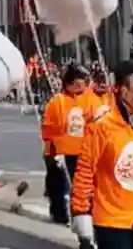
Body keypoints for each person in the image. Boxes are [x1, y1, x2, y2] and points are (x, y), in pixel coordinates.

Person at [69, 60, 133, 249]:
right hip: (112, 219)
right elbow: (85, 171)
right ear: (122, 91)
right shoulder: (103, 127)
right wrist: (81, 211)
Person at [41, 63, 101, 223]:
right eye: (76, 82)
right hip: (59, 151)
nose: (79, 85)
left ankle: (81, 214)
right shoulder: (56, 102)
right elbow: (47, 128)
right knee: (59, 185)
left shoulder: (92, 100)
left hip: (84, 151)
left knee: (82, 187)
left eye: (82, 82)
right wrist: (53, 147)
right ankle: (60, 213)